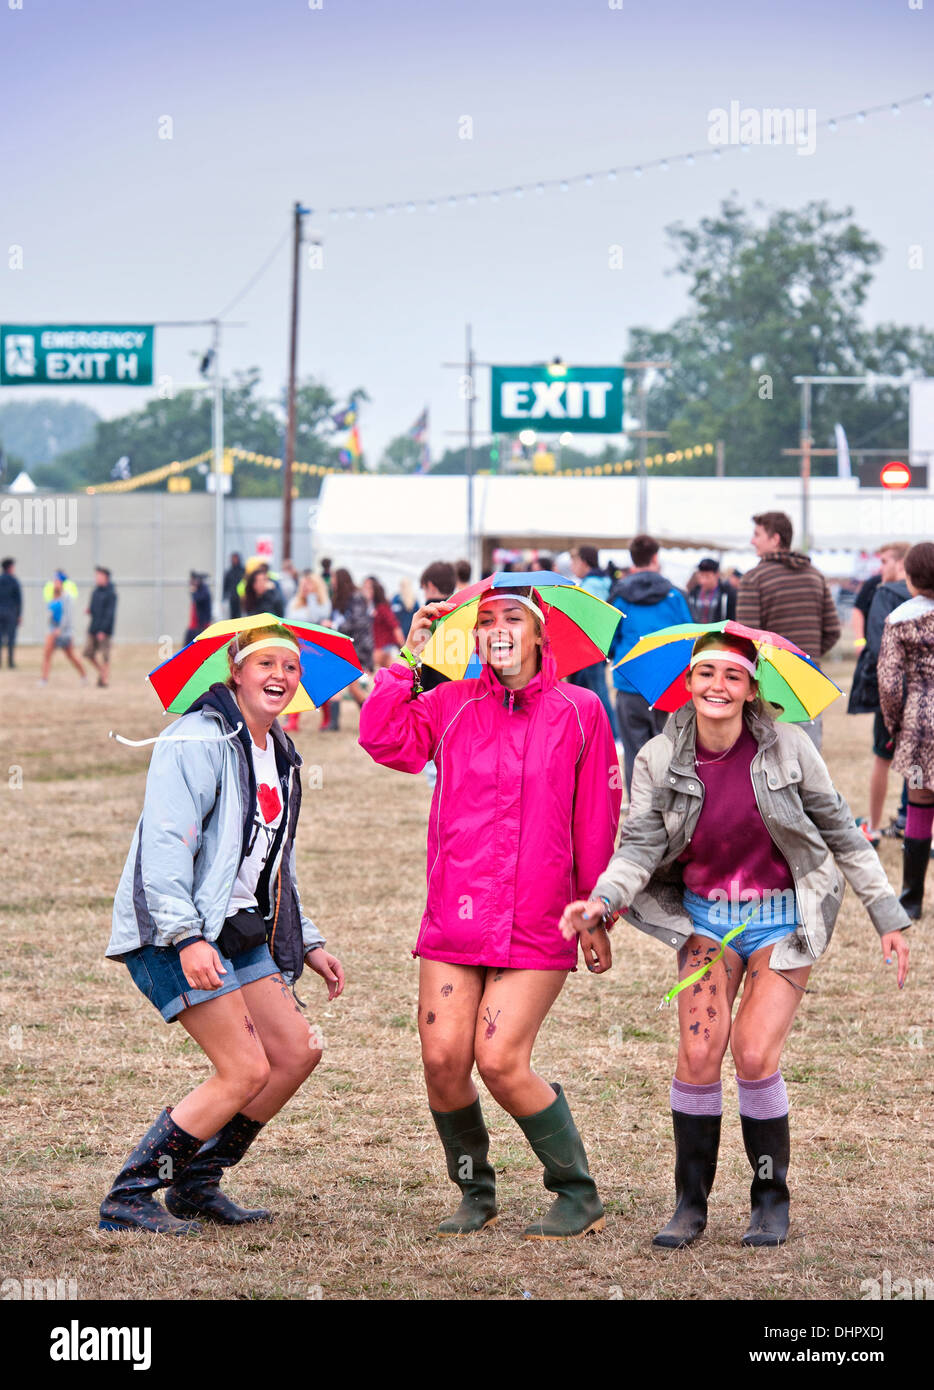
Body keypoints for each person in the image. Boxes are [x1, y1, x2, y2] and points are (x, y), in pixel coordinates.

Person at [561, 630, 910, 1249]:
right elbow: (638, 846)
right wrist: (604, 899)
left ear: (752, 689)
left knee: (752, 1053)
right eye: (706, 674)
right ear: (688, 685)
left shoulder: (790, 750)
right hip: (704, 921)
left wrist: (887, 913)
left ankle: (769, 1200)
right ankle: (689, 1206)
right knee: (699, 1055)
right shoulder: (657, 759)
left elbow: (843, 833)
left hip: (783, 918)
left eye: (732, 676)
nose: (717, 686)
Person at [359, 586, 621, 1238]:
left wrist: (596, 912)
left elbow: (596, 819)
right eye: (484, 622)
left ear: (540, 635)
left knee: (500, 1059)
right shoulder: (448, 703)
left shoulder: (581, 710)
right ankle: (475, 1193)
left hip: (541, 919)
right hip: (458, 913)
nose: (497, 630)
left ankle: (577, 1191)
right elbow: (383, 738)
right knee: (444, 1058)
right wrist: (414, 662)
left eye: (511, 619)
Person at [100, 621, 345, 1233]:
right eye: (264, 664)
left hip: (236, 928)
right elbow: (164, 846)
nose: (279, 677)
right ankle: (129, 1197)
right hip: (171, 929)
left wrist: (306, 938)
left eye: (289, 667)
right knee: (245, 1069)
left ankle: (196, 1184)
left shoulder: (279, 753)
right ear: (234, 670)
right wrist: (186, 937)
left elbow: (269, 864)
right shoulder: (196, 738)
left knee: (295, 1052)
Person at [736, 512, 841, 750]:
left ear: (775, 539)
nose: (752, 541)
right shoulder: (816, 576)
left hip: (767, 685)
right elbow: (833, 630)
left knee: (768, 760)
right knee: (808, 758)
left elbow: (747, 640)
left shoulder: (754, 579)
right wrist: (804, 655)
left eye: (757, 535)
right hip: (809, 679)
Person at [609, 534, 692, 796]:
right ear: (656, 558)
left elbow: (611, 639)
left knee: (635, 750)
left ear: (632, 559)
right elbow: (689, 637)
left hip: (629, 681)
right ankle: (665, 800)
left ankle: (638, 805)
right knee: (666, 746)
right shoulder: (674, 595)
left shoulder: (619, 595)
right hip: (665, 684)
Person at [877, 541, 934, 920]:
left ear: (911, 578)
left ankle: (911, 898)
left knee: (918, 805)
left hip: (919, 726)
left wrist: (894, 723)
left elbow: (890, 683)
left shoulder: (899, 619)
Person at [847, 544, 910, 845]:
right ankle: (919, 828)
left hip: (893, 694)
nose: (880, 566)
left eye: (884, 560)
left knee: (882, 759)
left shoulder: (885, 594)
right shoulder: (924, 596)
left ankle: (871, 826)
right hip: (925, 695)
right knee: (921, 763)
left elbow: (879, 645)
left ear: (901, 564)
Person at [568, 545, 620, 740]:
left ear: (583, 562)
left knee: (598, 691)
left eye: (574, 562)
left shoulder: (590, 586)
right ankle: (602, 733)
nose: (572, 566)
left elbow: (586, 617)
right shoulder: (603, 581)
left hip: (590, 644)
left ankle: (612, 735)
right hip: (597, 644)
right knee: (590, 689)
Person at [282, 572, 333, 734]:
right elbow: (287, 622)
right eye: (303, 584)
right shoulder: (294, 603)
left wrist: (311, 598)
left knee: (319, 686)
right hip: (297, 648)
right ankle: (293, 720)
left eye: (309, 584)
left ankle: (327, 718)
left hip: (316, 650)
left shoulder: (323, 603)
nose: (305, 587)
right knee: (294, 682)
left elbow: (318, 617)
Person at [324, 568, 372, 731]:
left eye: (334, 578)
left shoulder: (356, 597)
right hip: (343, 647)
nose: (332, 581)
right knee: (341, 683)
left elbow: (359, 622)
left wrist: (335, 626)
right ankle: (335, 723)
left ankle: (374, 718)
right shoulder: (338, 598)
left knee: (353, 687)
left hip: (357, 647)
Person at [39, 572, 86, 685]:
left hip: (64, 632)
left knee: (70, 656)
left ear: (62, 583)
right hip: (52, 630)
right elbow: (50, 613)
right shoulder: (53, 596)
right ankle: (44, 679)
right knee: (47, 654)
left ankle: (84, 676)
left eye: (57, 581)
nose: (55, 583)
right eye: (54, 581)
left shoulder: (67, 597)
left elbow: (67, 615)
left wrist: (60, 629)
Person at [84, 566, 117, 688]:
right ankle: (102, 673)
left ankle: (104, 680)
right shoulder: (95, 592)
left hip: (105, 631)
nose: (97, 578)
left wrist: (103, 630)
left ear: (106, 577)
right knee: (88, 653)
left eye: (99, 576)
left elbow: (110, 614)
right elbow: (93, 609)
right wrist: (89, 610)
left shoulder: (111, 594)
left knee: (105, 656)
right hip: (93, 628)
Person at [364, 575, 404, 668]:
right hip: (378, 646)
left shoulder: (382, 608)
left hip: (385, 647)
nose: (365, 591)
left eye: (369, 589)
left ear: (375, 591)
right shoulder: (371, 607)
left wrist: (404, 649)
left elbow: (395, 627)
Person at [687, 558, 736, 624]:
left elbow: (732, 619)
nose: (703, 581)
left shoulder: (728, 594)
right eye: (701, 576)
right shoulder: (693, 594)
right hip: (697, 633)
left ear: (717, 575)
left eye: (707, 576)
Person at [0, 557, 22, 669]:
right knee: (11, 639)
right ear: (9, 568)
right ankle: (10, 662)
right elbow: (19, 600)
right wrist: (19, 615)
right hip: (11, 614)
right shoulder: (14, 581)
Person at [184, 571, 213, 644]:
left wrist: (193, 591)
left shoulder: (203, 590)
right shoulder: (201, 589)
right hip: (197, 624)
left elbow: (198, 599)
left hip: (202, 624)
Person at [223, 552, 245, 620]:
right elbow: (225, 586)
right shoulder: (229, 572)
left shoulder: (243, 571)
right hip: (232, 598)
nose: (234, 560)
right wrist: (225, 597)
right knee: (233, 617)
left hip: (242, 598)